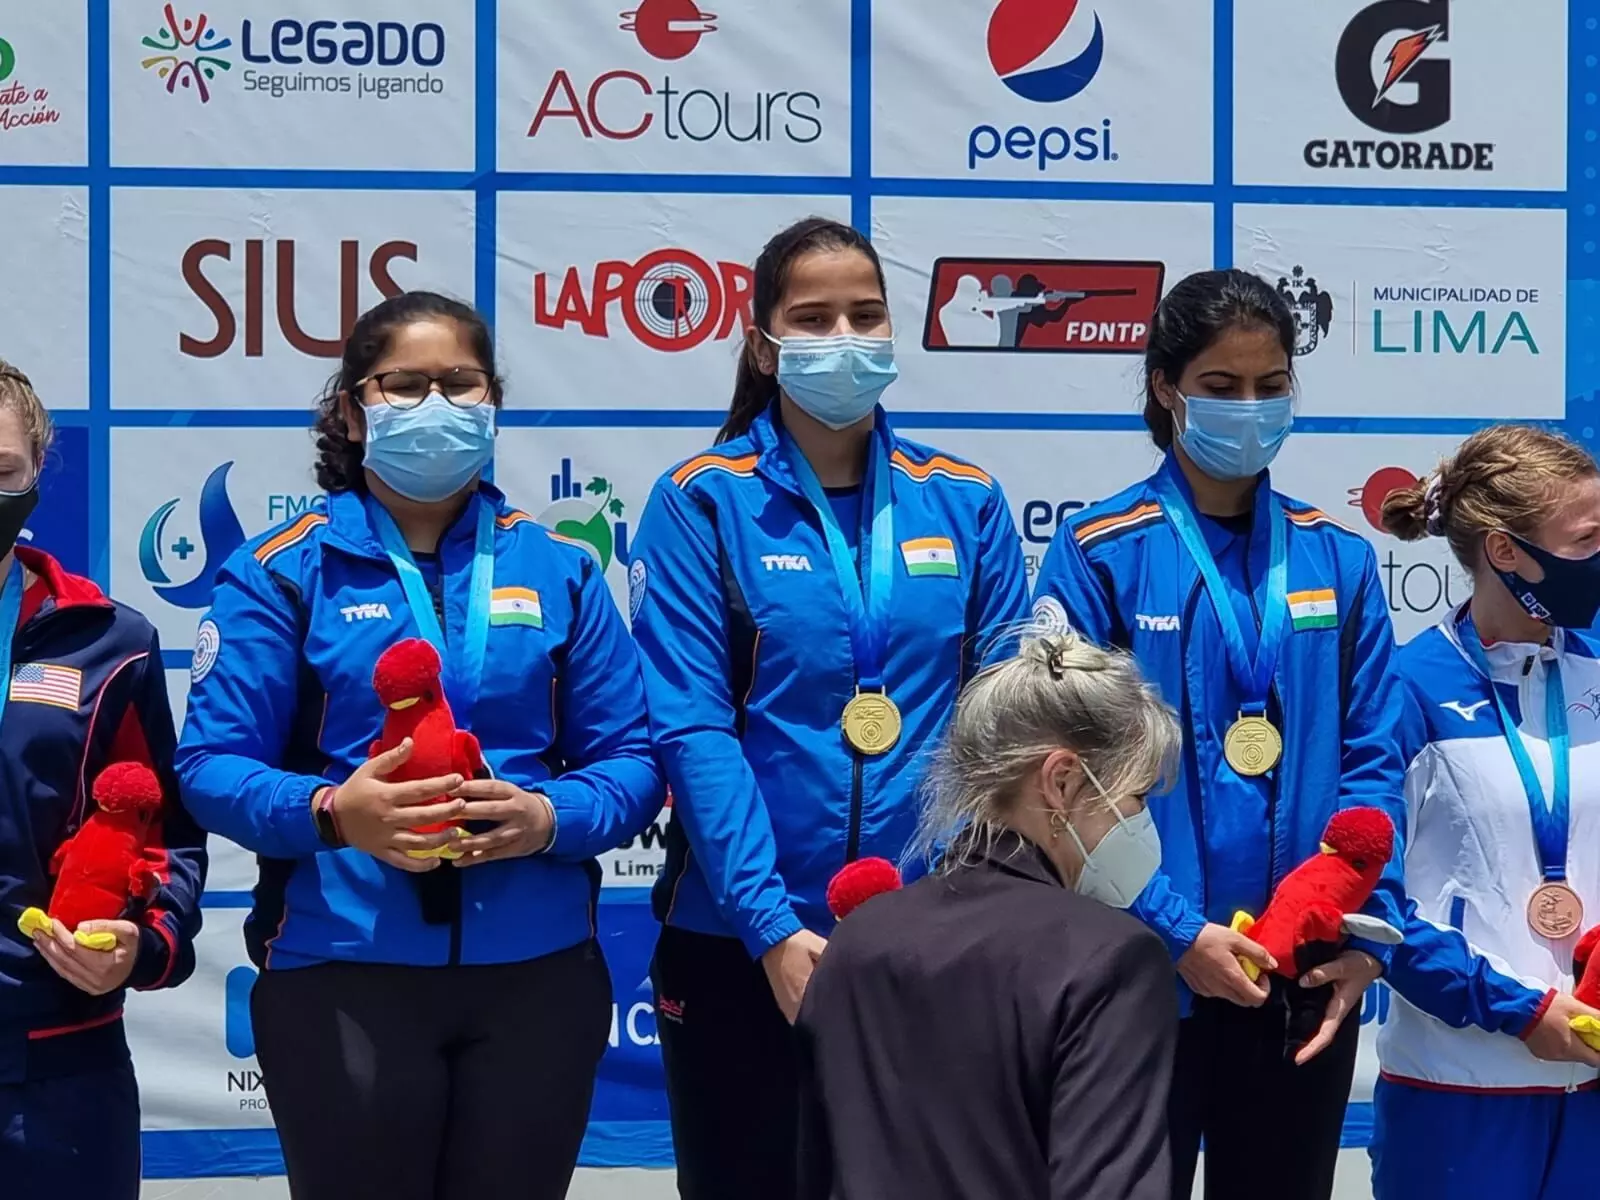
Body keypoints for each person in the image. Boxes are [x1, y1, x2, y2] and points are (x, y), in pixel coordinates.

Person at [176, 292, 663, 1200]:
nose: (436, 403)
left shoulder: (560, 567)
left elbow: (633, 762)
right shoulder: (284, 568)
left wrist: (547, 817)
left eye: (460, 383)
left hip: (538, 977)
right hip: (342, 972)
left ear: (493, 402)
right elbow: (210, 766)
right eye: (406, 384)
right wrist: (332, 813)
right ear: (356, 410)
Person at [629, 216, 1031, 1199]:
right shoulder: (699, 500)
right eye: (812, 318)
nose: (842, 335)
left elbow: (1003, 729)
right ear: (764, 345)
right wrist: (772, 931)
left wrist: (954, 913)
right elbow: (693, 729)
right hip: (738, 944)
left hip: (928, 942)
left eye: (865, 314)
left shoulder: (965, 499)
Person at [1031, 268, 1407, 1200]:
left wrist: (1363, 933)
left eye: (1270, 386)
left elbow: (1374, 762)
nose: (1250, 407)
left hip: (1304, 980)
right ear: (1167, 388)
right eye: (1221, 387)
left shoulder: (1339, 557)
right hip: (1138, 976)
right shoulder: (1100, 551)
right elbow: (1059, 780)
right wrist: (1173, 931)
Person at [795, 631, 1179, 1200]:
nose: (1141, 822)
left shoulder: (858, 939)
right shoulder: (1113, 960)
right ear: (1064, 780)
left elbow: (818, 1177)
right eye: (1139, 797)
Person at [1370, 426, 1600, 1199]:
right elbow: (1375, 907)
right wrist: (1518, 1012)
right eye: (1589, 538)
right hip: (1457, 1092)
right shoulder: (1406, 688)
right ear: (1506, 552)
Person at [0, 361, 207, 1198]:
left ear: (39, 471)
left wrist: (145, 943)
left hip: (57, 1065)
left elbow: (170, 833)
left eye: (3, 470)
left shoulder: (107, 642)